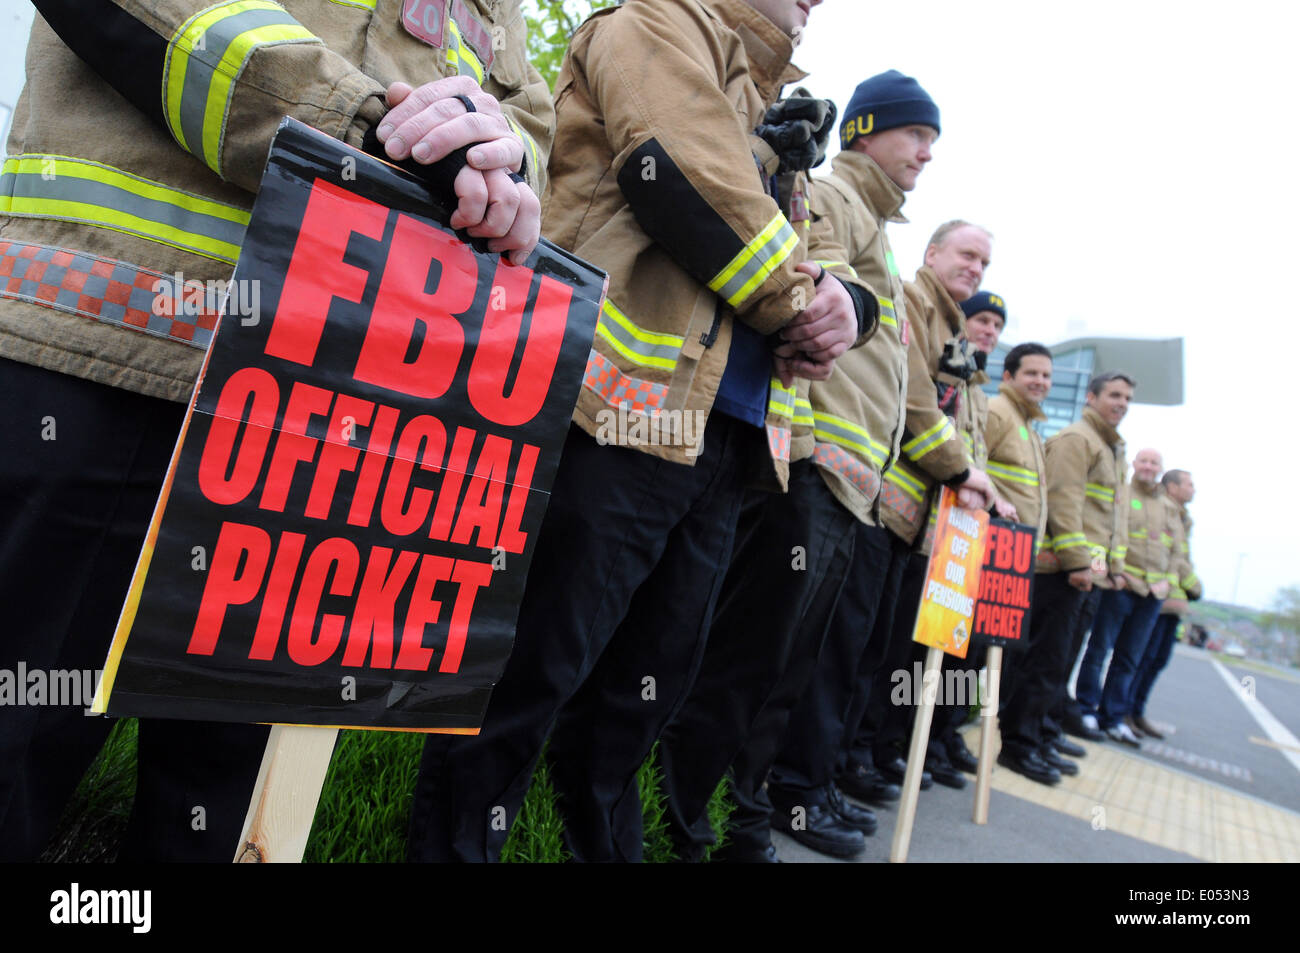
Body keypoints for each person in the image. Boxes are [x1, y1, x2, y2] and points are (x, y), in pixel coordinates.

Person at [0, 0, 552, 862]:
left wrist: (503, 162)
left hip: (318, 416)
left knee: (218, 801)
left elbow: (526, 124)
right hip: (113, 348)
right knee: (18, 739)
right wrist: (361, 128)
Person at [408, 0, 877, 863]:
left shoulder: (763, 92)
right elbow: (684, 176)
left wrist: (852, 304)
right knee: (530, 677)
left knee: (637, 699)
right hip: (608, 416)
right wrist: (805, 306)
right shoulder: (655, 20)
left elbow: (817, 249)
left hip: (719, 440)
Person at [658, 70, 941, 862]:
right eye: (916, 133)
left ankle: (739, 817)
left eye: (933, 141)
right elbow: (812, 304)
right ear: (865, 128)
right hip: (814, 468)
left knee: (783, 671)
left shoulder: (878, 230)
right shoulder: (838, 198)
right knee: (750, 660)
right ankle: (694, 817)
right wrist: (811, 444)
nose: (926, 152)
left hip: (850, 486)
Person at [839, 221, 1001, 795]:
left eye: (985, 262)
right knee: (859, 652)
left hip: (927, 526)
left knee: (885, 653)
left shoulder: (954, 334)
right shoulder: (910, 300)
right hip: (886, 506)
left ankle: (855, 761)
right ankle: (830, 771)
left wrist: (971, 477)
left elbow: (956, 426)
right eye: (967, 255)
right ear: (932, 253)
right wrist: (963, 472)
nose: (976, 269)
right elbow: (916, 407)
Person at [988, 343, 1089, 782]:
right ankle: (930, 741)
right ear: (1008, 375)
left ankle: (945, 738)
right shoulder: (997, 414)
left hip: (1014, 558)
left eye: (1047, 376)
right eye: (1032, 373)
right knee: (966, 658)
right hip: (990, 552)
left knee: (985, 660)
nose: (1041, 382)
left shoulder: (1030, 428)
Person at [1031, 372, 1134, 773]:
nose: (1121, 402)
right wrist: (1078, 565)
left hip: (1088, 574)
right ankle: (1024, 741)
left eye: (1127, 397)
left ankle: (1044, 730)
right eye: (1113, 394)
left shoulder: (1110, 449)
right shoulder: (1079, 440)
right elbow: (1064, 503)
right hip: (1063, 571)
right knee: (1046, 660)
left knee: (1063, 661)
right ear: (1091, 397)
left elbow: (1105, 523)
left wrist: (1108, 570)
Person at [1075, 447, 1177, 745]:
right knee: (1098, 650)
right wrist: (1113, 574)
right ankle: (1085, 709)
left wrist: (1167, 584)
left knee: (1129, 659)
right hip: (1121, 586)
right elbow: (1107, 534)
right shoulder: (1121, 495)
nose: (1148, 466)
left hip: (1152, 594)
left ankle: (1113, 718)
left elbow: (1176, 553)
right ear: (1134, 463)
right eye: (1143, 461)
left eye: (1154, 462)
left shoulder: (1168, 507)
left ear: (1160, 468)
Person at [1128, 469, 1202, 738]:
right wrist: (1194, 584)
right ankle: (1126, 711)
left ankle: (1136, 711)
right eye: (1189, 484)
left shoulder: (1183, 517)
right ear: (1172, 487)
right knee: (1144, 658)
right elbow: (1172, 556)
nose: (1194, 489)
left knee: (1157, 659)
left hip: (1172, 600)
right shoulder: (1164, 510)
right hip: (1159, 596)